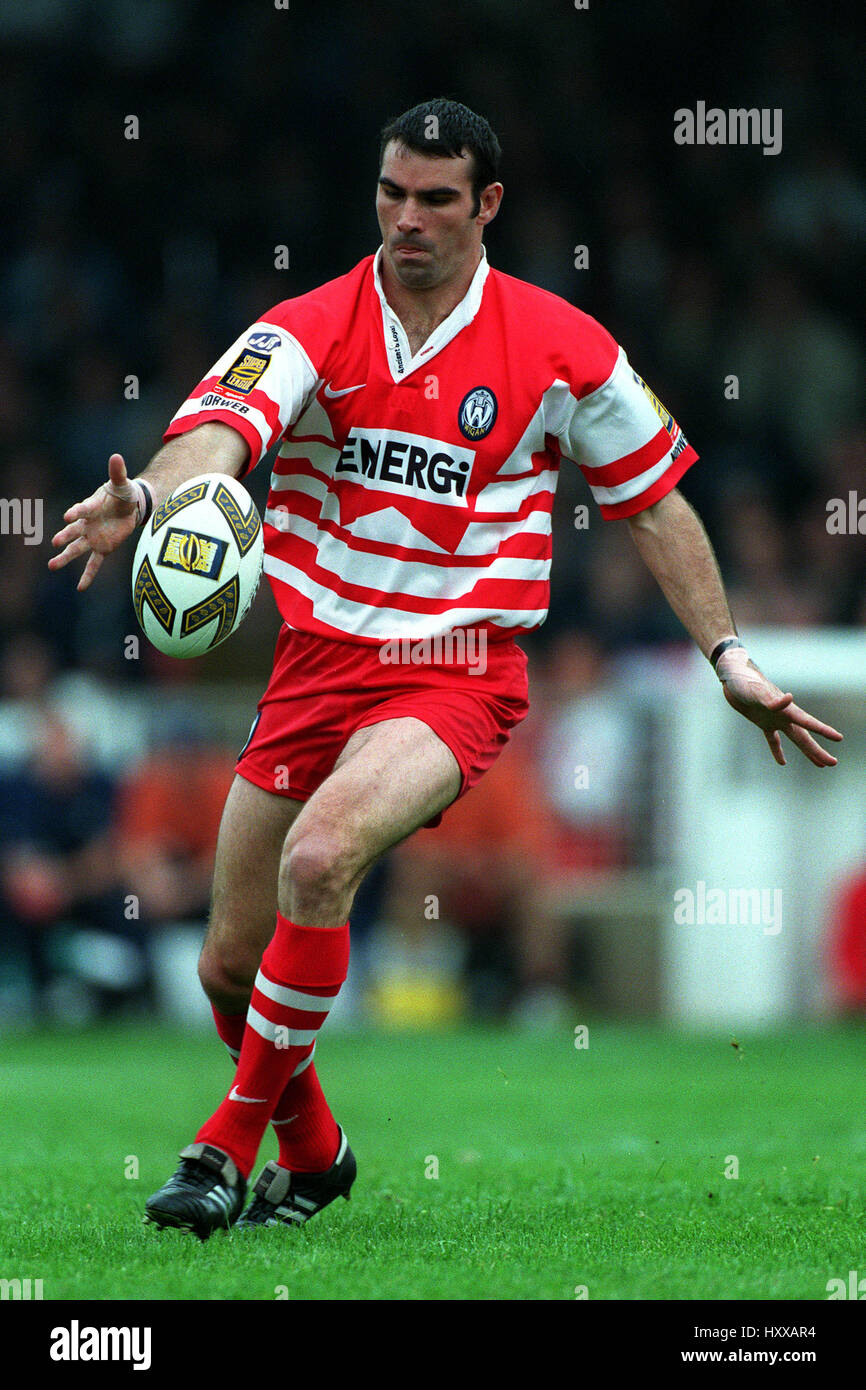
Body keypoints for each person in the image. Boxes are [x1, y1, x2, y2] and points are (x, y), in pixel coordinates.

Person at [49, 99, 843, 1240]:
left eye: (432, 198)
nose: (405, 219)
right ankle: (316, 1155)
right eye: (389, 193)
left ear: (487, 205)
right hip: (315, 667)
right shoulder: (309, 325)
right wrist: (154, 497)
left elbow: (656, 507)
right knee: (228, 968)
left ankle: (219, 1151)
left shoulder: (565, 347)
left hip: (457, 670)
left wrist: (726, 653)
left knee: (317, 862)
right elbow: (214, 437)